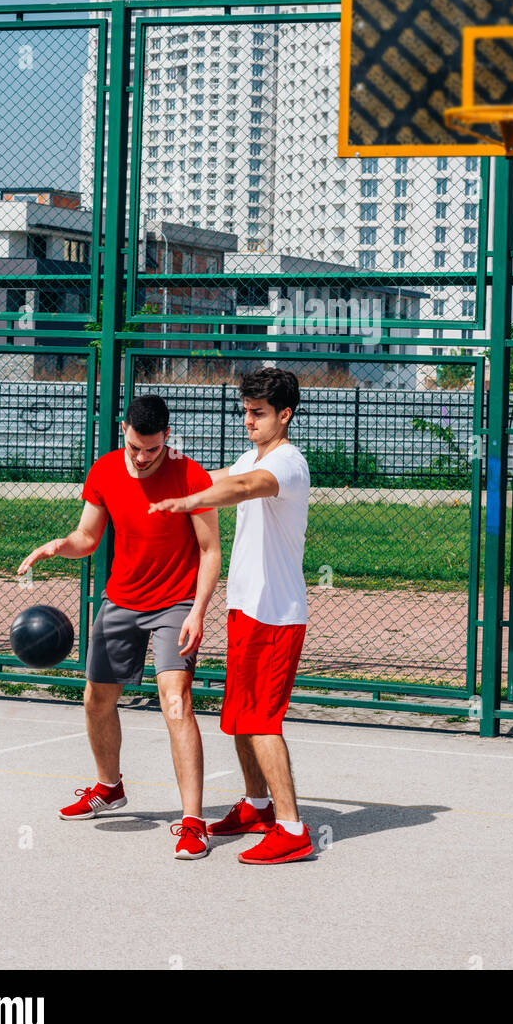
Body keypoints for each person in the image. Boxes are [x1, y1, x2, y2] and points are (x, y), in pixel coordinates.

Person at [16, 393, 221, 861]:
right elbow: (87, 537)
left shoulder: (192, 476)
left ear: (167, 437)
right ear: (123, 430)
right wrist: (56, 546)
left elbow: (210, 551)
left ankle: (192, 822)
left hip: (177, 602)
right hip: (122, 598)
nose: (143, 457)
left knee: (175, 703)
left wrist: (198, 611)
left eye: (152, 449)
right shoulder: (105, 470)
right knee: (95, 699)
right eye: (135, 447)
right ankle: (109, 787)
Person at [149, 366, 312, 865]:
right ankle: (258, 805)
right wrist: (158, 464)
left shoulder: (287, 463)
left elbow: (240, 488)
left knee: (263, 720)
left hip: (276, 615)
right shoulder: (251, 455)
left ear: (285, 415)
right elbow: (217, 476)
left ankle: (292, 828)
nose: (249, 421)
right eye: (245, 412)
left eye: (259, 413)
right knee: (241, 717)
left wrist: (189, 500)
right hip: (244, 610)